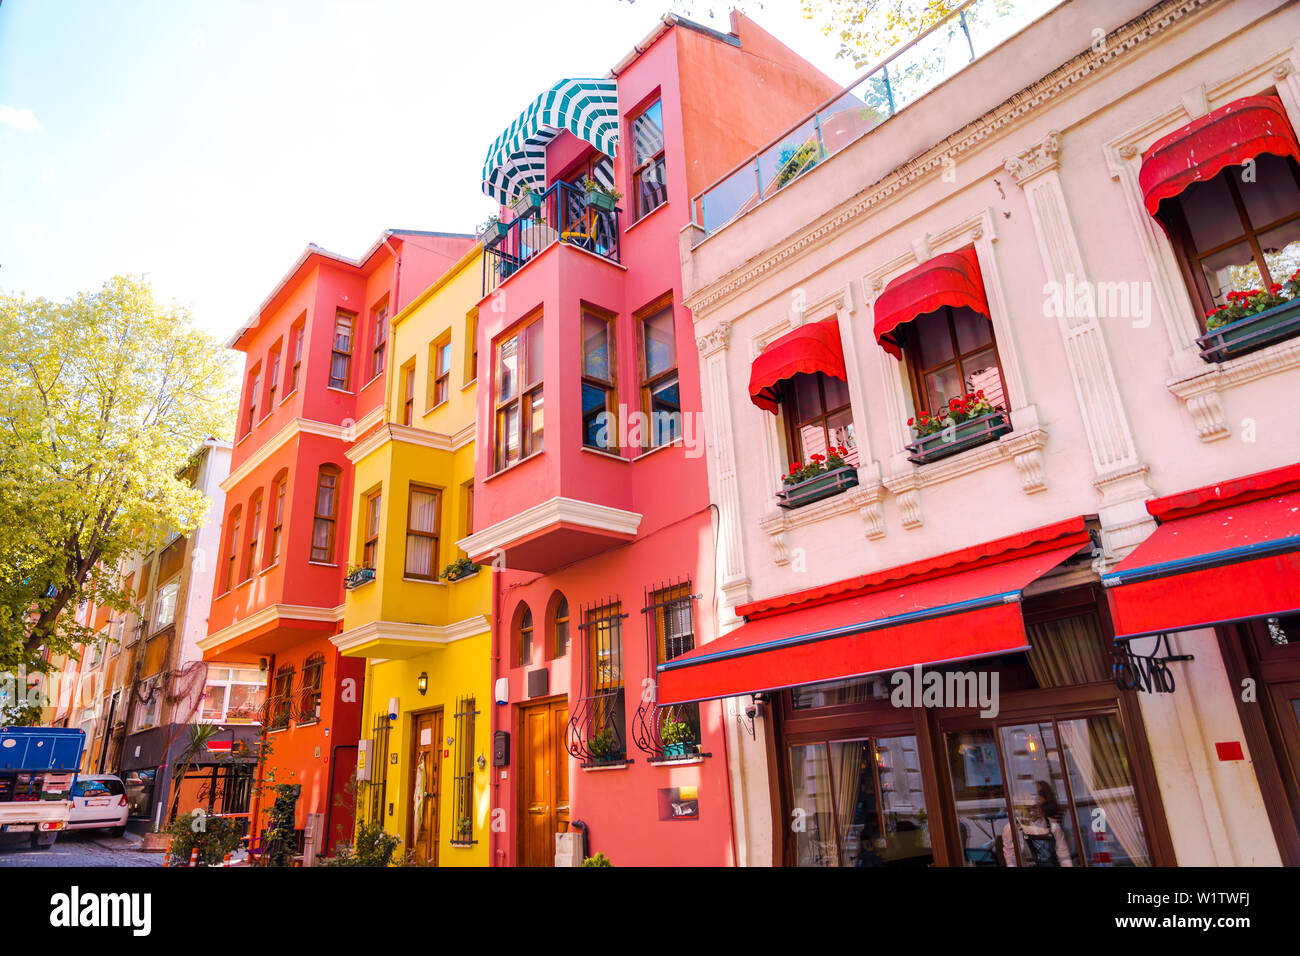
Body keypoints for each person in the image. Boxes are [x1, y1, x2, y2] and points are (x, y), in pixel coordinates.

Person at [1001, 780, 1073, 866]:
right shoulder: (1012, 828)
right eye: (1032, 795)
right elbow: (1011, 860)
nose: (1036, 799)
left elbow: (1064, 857)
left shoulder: (1053, 827)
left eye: (1040, 795)